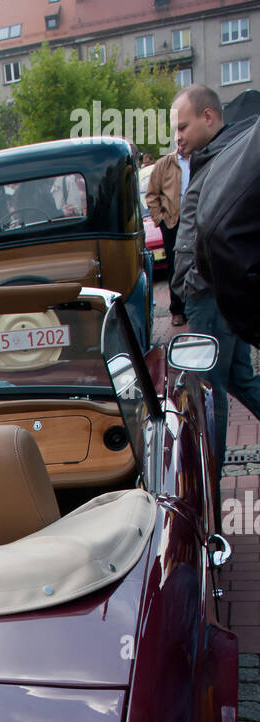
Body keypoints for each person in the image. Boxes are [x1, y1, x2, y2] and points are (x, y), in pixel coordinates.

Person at [172, 84, 260, 487]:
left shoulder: (224, 155)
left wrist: (193, 282)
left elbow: (217, 232)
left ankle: (210, 483)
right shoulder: (217, 155)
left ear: (209, 117)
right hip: (209, 292)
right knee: (240, 377)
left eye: (183, 126)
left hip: (208, 296)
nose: (178, 138)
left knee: (210, 390)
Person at [146, 151, 188, 326]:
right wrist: (160, 220)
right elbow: (151, 195)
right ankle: (177, 309)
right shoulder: (165, 164)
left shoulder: (202, 156)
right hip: (173, 222)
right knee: (175, 264)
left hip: (198, 218)